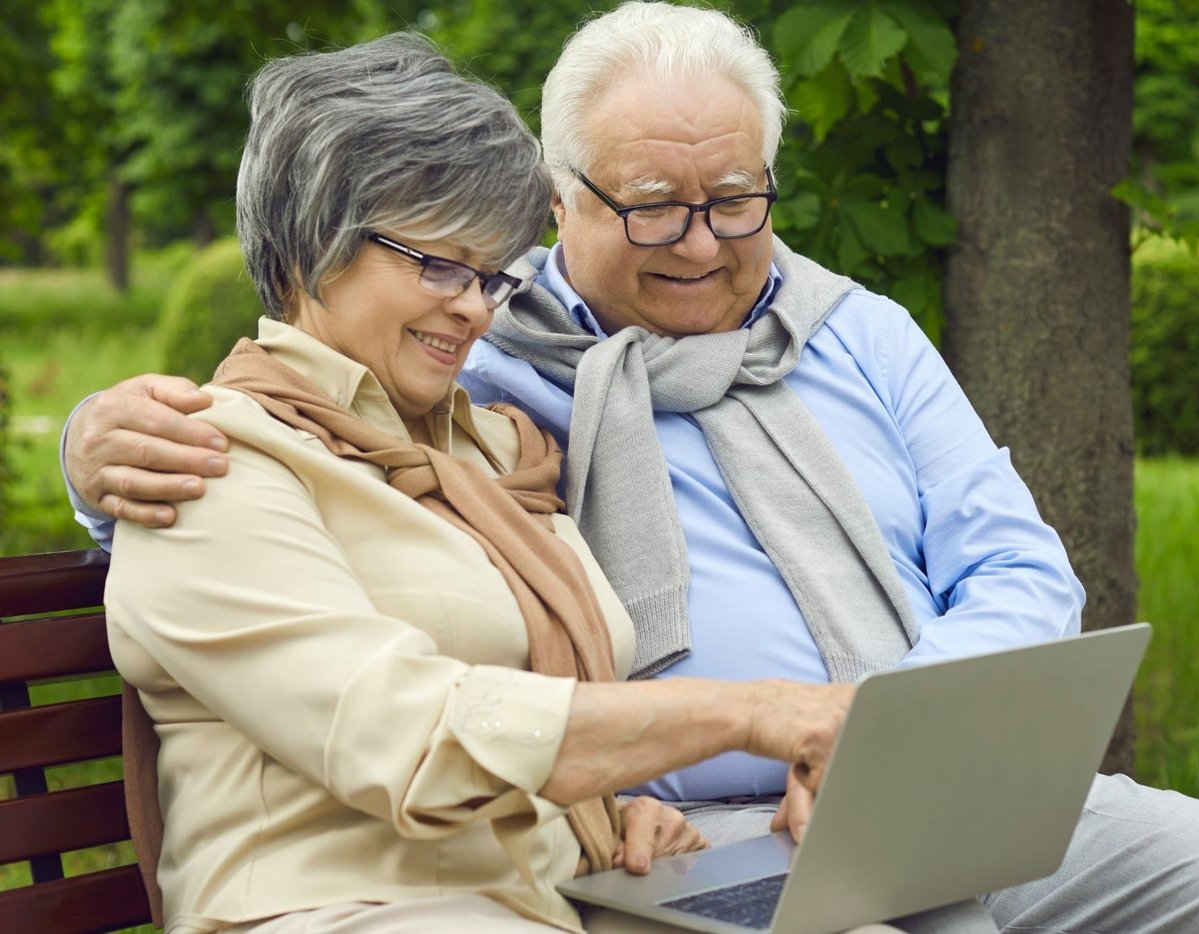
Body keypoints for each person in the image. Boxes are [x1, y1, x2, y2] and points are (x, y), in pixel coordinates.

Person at [66, 4, 1199, 932]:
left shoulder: (834, 338)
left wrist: (885, 745)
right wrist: (94, 455)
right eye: (650, 206)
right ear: (560, 205)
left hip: (892, 782)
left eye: (733, 199)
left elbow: (1017, 567)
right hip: (629, 847)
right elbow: (274, 492)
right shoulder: (493, 376)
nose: (698, 242)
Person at [96, 31, 866, 934]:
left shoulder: (497, 457)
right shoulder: (207, 465)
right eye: (435, 264)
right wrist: (753, 713)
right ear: (309, 252)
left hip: (551, 901)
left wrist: (608, 812)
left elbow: (528, 706)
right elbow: (407, 737)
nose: (473, 305)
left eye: (490, 272)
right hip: (342, 912)